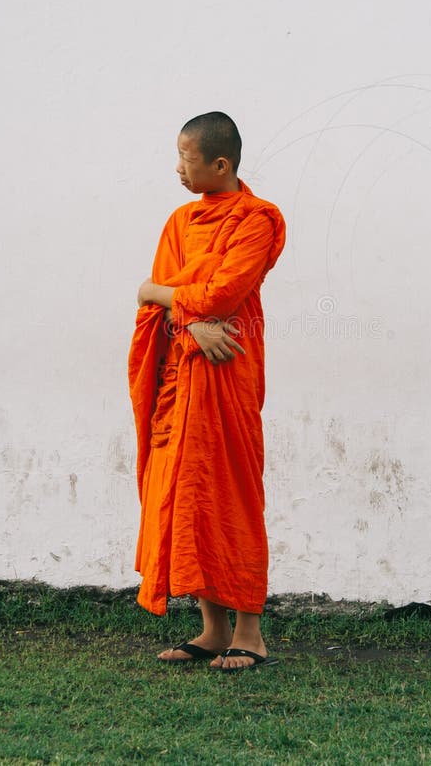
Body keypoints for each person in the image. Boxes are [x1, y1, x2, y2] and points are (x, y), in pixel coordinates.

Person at [129, 111, 286, 672]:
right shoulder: (178, 221)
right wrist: (187, 318)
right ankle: (212, 629)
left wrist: (164, 295)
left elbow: (222, 291)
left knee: (231, 489)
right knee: (187, 494)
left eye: (186, 160)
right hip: (183, 368)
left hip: (228, 369)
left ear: (220, 165)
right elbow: (164, 299)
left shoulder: (257, 220)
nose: (177, 169)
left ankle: (250, 631)